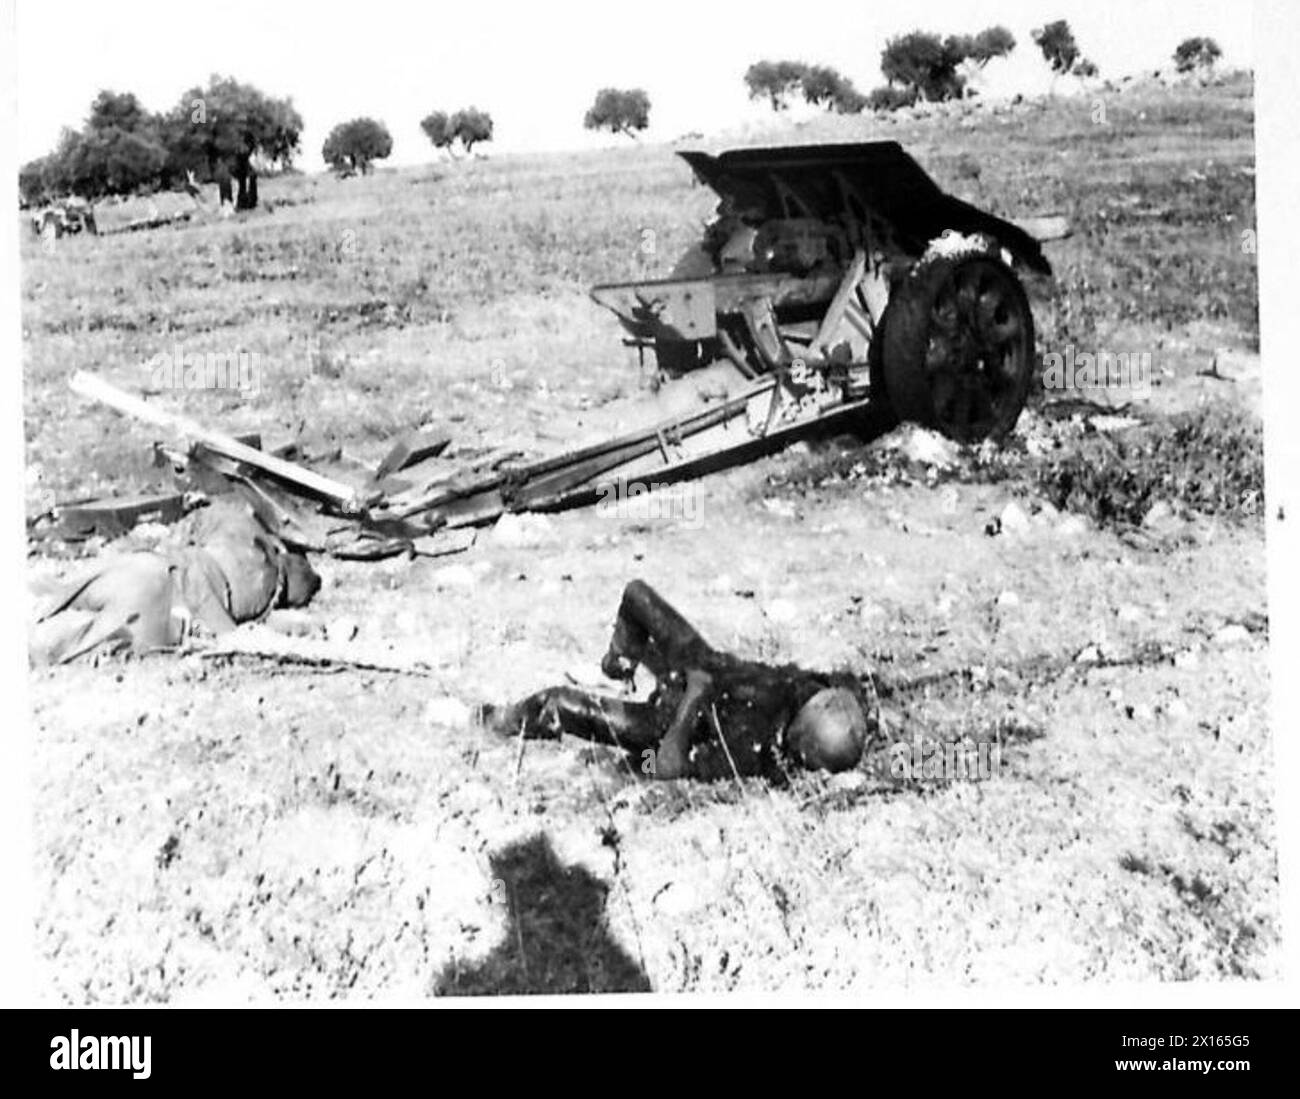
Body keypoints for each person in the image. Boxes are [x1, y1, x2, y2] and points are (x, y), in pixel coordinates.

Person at [486, 580, 873, 781]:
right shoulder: (804, 692)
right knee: (636, 595)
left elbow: (667, 764)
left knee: (555, 703)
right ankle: (618, 669)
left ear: (801, 750)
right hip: (704, 663)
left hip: (667, 719)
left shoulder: (748, 750)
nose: (815, 693)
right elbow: (850, 690)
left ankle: (489, 722)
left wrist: (691, 700)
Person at [30, 496, 320, 665]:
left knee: (53, 593)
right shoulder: (259, 608)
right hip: (166, 616)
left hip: (153, 567)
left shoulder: (247, 533)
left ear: (280, 549)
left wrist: (181, 538)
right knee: (57, 651)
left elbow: (208, 514)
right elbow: (239, 638)